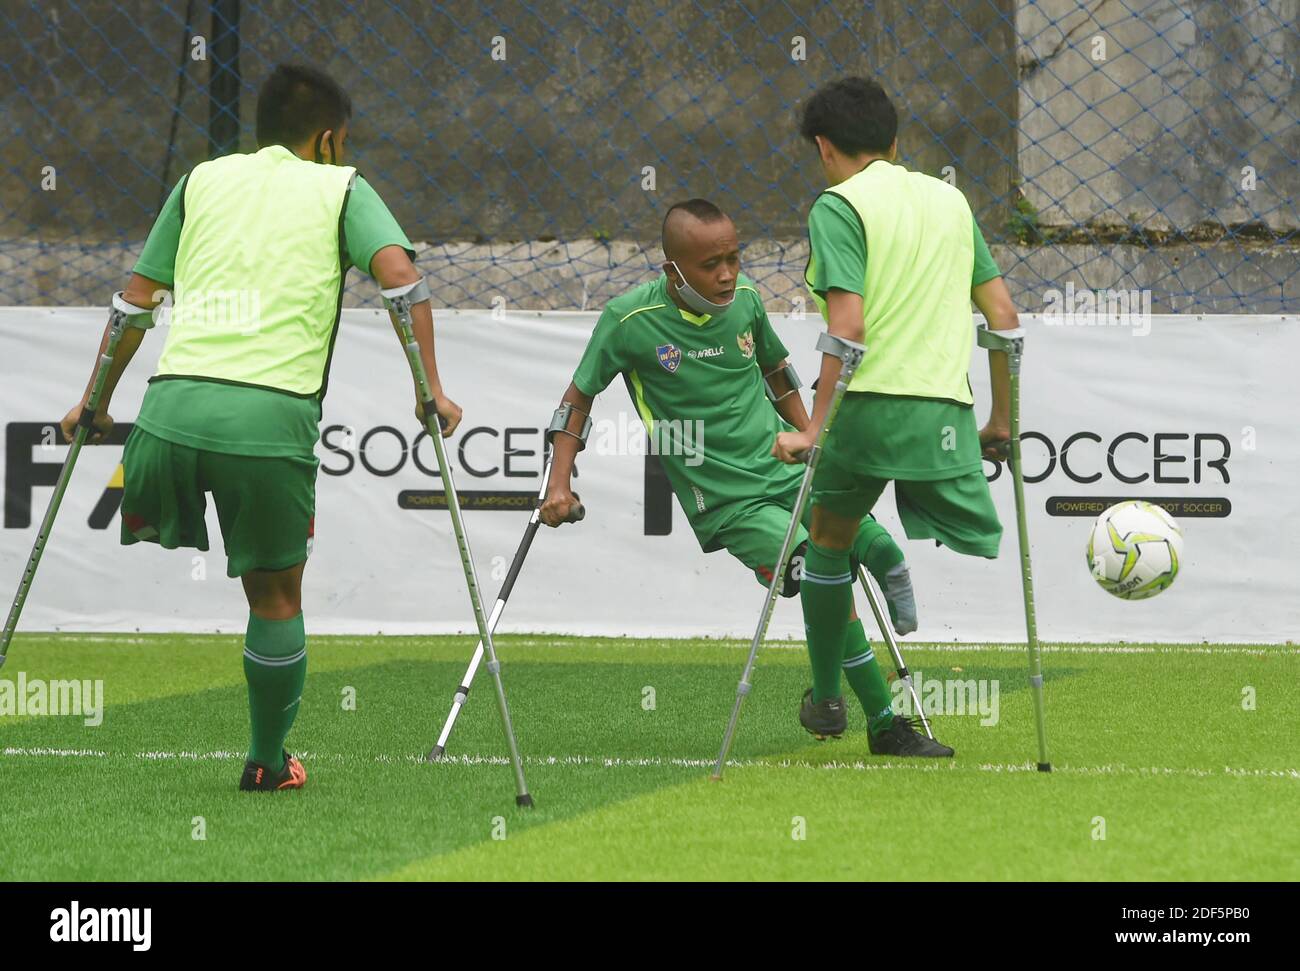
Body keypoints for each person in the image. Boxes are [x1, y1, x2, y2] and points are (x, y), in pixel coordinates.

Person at [59, 63, 461, 792]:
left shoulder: (200, 181)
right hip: (266, 421)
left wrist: (93, 401)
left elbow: (134, 303)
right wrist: (428, 388)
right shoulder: (344, 187)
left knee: (234, 574)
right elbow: (402, 280)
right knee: (275, 597)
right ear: (331, 138)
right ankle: (268, 762)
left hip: (167, 416)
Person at [541, 198, 952, 756]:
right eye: (711, 264)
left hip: (784, 470)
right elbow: (577, 401)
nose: (728, 273)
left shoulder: (748, 301)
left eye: (734, 257)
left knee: (869, 541)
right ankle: (881, 722)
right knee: (815, 568)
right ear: (673, 269)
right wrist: (559, 483)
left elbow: (778, 373)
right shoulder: (629, 321)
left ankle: (856, 644)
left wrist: (813, 442)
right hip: (727, 501)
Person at [773, 77, 1019, 747]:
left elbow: (847, 326)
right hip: (944, 416)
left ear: (824, 147)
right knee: (848, 533)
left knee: (825, 541)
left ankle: (827, 698)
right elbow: (1003, 317)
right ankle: (892, 583)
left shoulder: (837, 205)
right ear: (894, 142)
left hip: (870, 409)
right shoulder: (950, 199)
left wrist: (815, 424)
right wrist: (1000, 420)